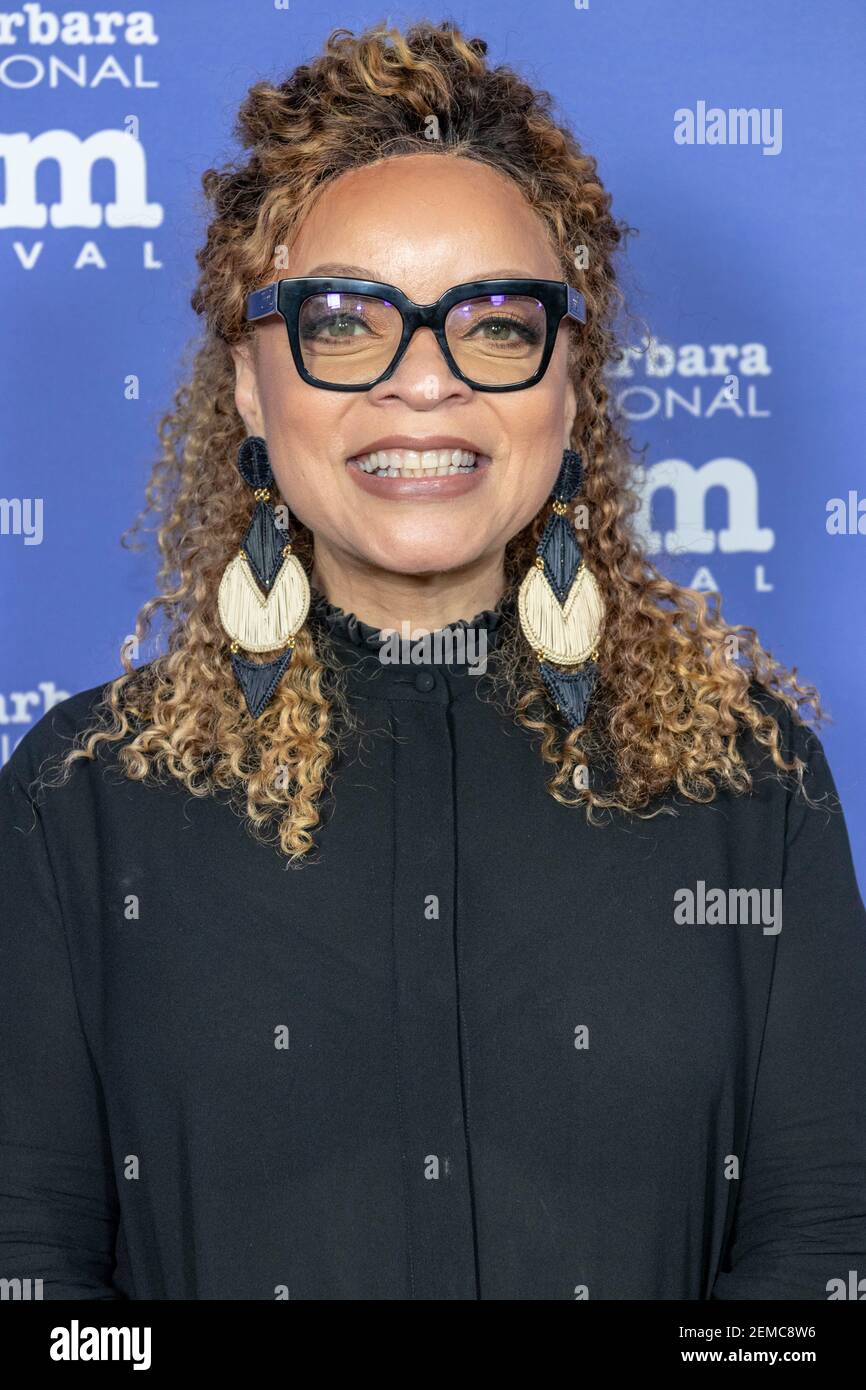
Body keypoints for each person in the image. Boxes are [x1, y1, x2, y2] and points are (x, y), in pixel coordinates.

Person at [1, 18, 865, 1301]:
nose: (423, 385)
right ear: (248, 381)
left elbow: (816, 1267)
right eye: (343, 323)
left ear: (566, 377)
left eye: (496, 323)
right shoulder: (78, 798)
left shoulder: (752, 784)